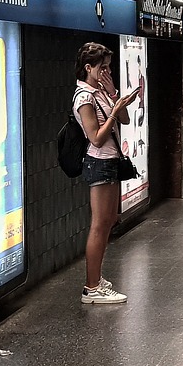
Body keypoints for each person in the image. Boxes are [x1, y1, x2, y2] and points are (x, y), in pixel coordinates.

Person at [74, 42, 141, 304]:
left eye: (109, 68)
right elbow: (96, 138)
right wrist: (113, 112)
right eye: (102, 68)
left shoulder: (101, 91)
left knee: (110, 219)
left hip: (111, 162)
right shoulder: (84, 98)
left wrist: (114, 93)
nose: (106, 72)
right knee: (100, 225)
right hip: (99, 162)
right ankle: (92, 288)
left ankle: (97, 278)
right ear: (88, 68)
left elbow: (124, 119)